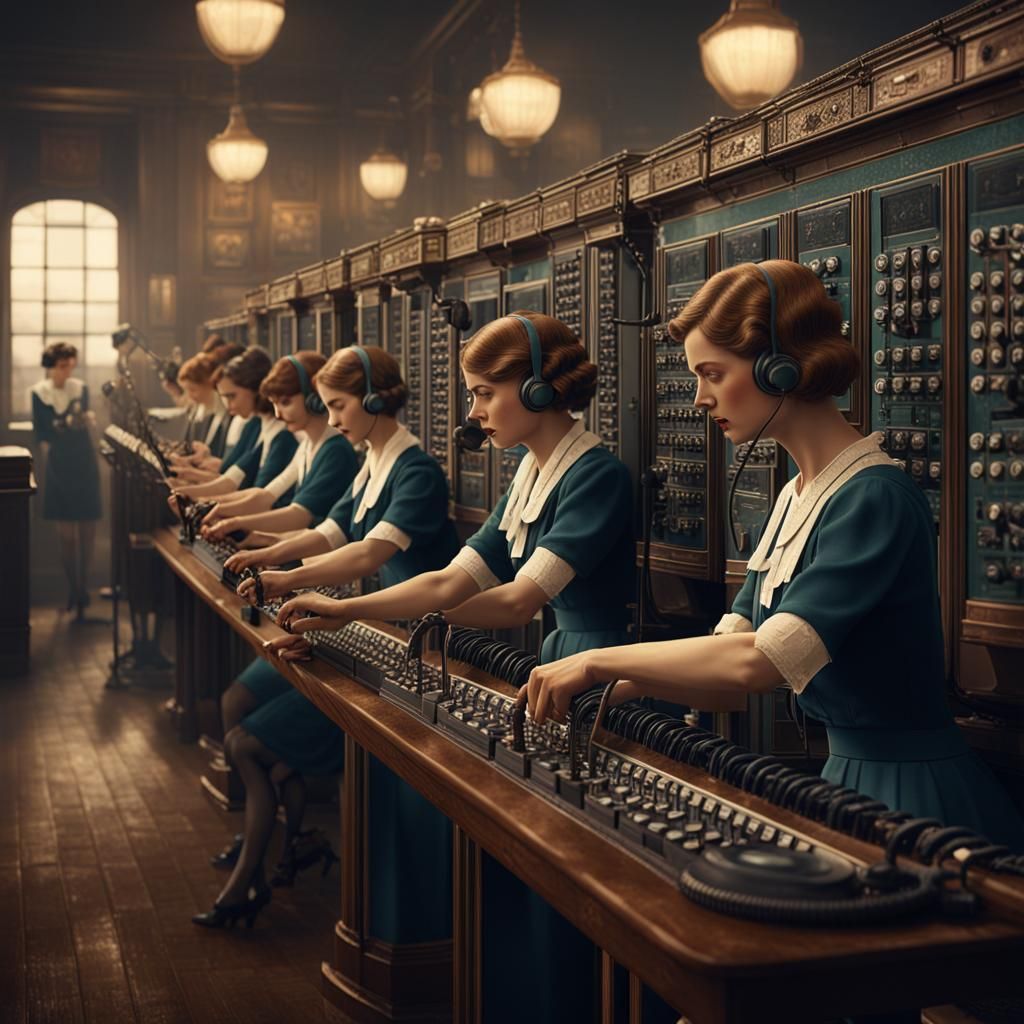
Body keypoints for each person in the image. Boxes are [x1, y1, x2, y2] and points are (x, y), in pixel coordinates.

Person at [521, 260, 1024, 852]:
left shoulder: (875, 497)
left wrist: (596, 664)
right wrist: (616, 687)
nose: (701, 398)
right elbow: (726, 668)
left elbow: (758, 664)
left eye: (713, 374)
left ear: (779, 369)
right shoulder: (795, 496)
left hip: (911, 798)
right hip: (845, 785)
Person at [268, 313, 633, 1022]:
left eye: (484, 393)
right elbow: (446, 582)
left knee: (573, 885)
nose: (473, 412)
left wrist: (367, 613)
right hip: (551, 669)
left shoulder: (597, 475)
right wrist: (346, 611)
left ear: (538, 388)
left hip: (600, 682)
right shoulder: (530, 473)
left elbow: (519, 599)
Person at [192, 345, 460, 929]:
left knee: (261, 742)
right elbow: (332, 532)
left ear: (374, 400)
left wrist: (282, 576)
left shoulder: (415, 470)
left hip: (422, 648)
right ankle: (287, 843)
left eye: (338, 406)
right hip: (382, 631)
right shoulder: (372, 462)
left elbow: (368, 553)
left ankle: (297, 862)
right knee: (257, 724)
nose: (332, 419)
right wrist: (268, 562)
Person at [200, 351, 357, 543]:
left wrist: (235, 523)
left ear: (314, 398)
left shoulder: (336, 451)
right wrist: (217, 508)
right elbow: (266, 496)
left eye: (285, 402)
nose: (278, 414)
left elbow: (298, 516)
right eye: (274, 404)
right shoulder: (308, 445)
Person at [167, 347, 295, 505]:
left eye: (232, 396)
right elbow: (233, 478)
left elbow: (252, 491)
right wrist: (185, 484)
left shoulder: (278, 432)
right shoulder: (254, 426)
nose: (228, 406)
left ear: (255, 389)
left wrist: (193, 492)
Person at [31, 341, 102, 621]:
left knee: (87, 530)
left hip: (84, 462)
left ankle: (84, 588)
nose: (67, 371)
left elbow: (85, 423)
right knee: (67, 536)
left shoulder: (80, 388)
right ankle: (73, 589)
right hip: (59, 465)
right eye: (62, 366)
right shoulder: (39, 393)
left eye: (71, 366)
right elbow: (42, 434)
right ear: (50, 366)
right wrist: (64, 425)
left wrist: (86, 420)